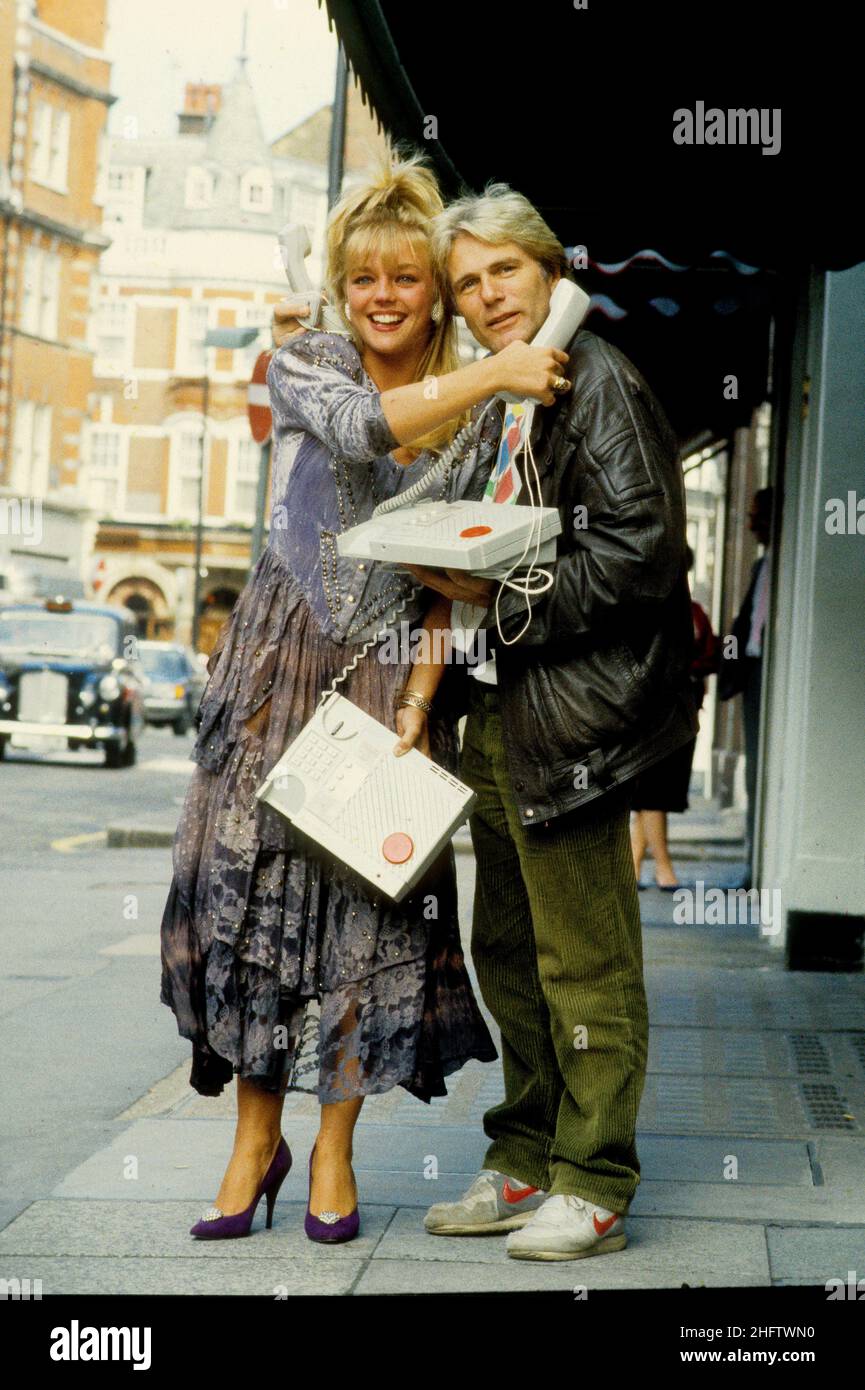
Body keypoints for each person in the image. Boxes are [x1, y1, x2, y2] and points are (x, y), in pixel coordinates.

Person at [159, 152, 570, 1245]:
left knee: (357, 918)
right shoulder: (310, 359)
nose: (384, 297)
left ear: (433, 288)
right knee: (247, 911)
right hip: (270, 669)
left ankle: (331, 1147)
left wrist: (423, 692)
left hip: (387, 667)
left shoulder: (478, 410)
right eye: (364, 279)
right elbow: (359, 433)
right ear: (340, 289)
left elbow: (465, 565)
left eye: (406, 278)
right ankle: (254, 1145)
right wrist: (503, 369)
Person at [398, 186, 699, 1261]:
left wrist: (496, 588)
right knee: (511, 954)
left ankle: (595, 1173)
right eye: (469, 284)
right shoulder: (512, 394)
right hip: (500, 711)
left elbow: (641, 555)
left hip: (575, 719)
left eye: (503, 274)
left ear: (547, 270)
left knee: (585, 962)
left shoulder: (598, 379)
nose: (487, 299)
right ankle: (527, 1152)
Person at [630, 545, 719, 889]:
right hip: (654, 713)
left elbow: (710, 654)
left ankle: (635, 866)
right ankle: (663, 869)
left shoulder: (694, 613)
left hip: (682, 712)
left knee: (656, 793)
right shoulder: (653, 611)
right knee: (654, 791)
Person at [718, 486, 773, 877]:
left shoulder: (782, 566)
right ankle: (753, 867)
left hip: (766, 674)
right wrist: (729, 668)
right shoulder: (761, 566)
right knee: (756, 767)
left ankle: (758, 869)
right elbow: (742, 627)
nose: (749, 522)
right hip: (754, 674)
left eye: (755, 514)